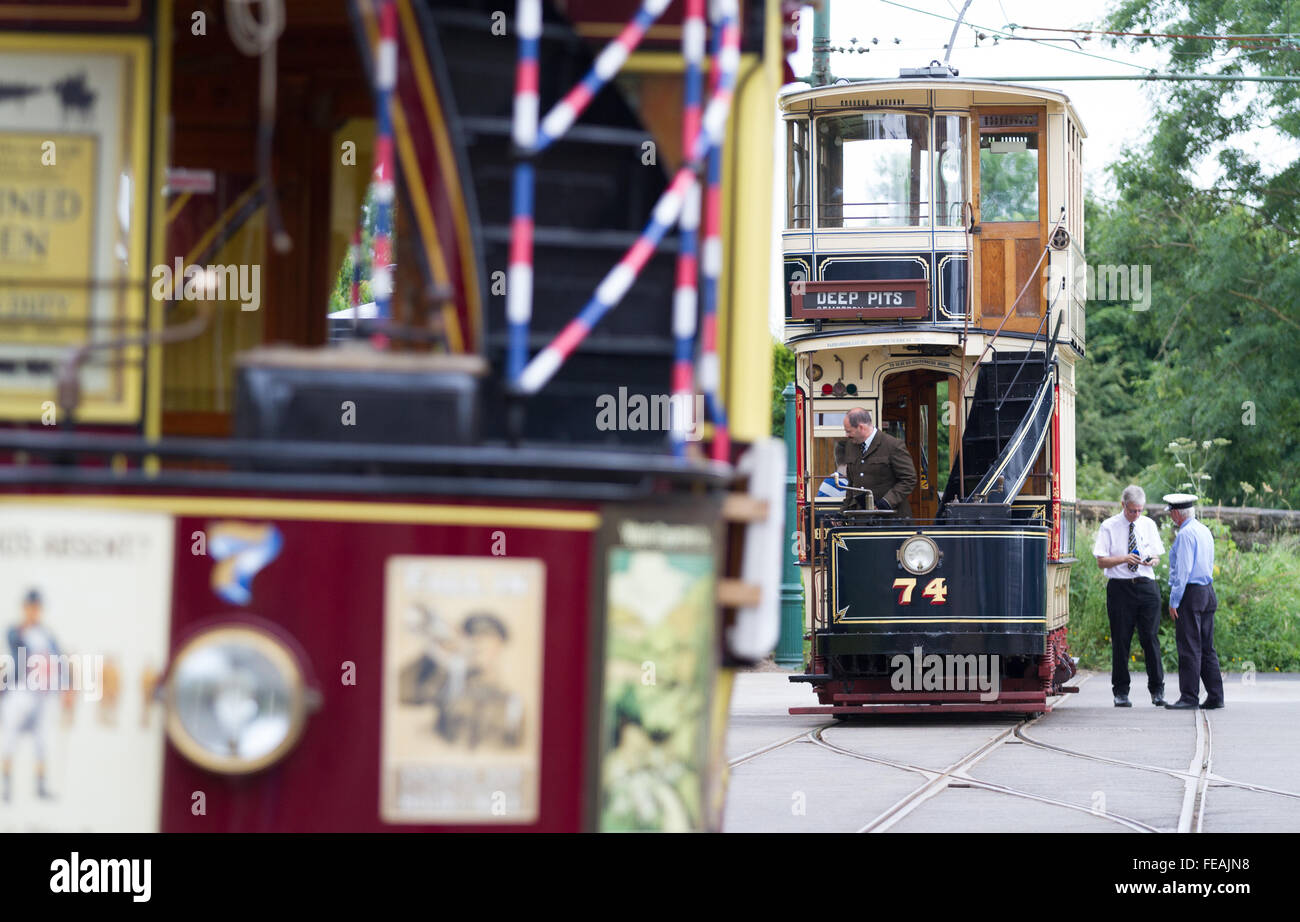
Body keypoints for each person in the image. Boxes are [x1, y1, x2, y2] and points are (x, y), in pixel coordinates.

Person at [1092, 485, 1166, 707]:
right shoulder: (1109, 526)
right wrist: (1124, 559)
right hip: (1121, 587)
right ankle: (1121, 691)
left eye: (1140, 510)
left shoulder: (1148, 524)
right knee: (1121, 640)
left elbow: (1157, 556)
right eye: (1132, 510)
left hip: (1146, 585)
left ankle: (1157, 690)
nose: (1136, 515)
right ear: (1123, 505)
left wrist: (1151, 560)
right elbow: (1100, 560)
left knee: (1150, 638)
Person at [1, 589, 67, 801]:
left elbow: (59, 660)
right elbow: (14, 642)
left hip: (42, 694)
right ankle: (6, 786)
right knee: (10, 738)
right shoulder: (16, 631)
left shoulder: (46, 635)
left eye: (37, 607)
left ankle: (40, 787)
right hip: (21, 691)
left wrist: (64, 686)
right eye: (30, 607)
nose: (34, 611)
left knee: (42, 741)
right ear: (25, 608)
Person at [1163, 493, 1223, 710]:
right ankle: (1216, 695)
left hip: (1191, 593)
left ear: (1177, 513)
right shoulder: (1203, 530)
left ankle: (1189, 697)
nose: (1170, 516)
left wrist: (1174, 600)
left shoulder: (1185, 534)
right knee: (1207, 647)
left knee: (1189, 647)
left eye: (1171, 512)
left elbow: (1183, 570)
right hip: (1207, 591)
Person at [839, 407, 916, 513]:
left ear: (861, 427)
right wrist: (842, 512)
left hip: (890, 521)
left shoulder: (893, 445)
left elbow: (909, 479)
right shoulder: (851, 446)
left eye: (849, 431)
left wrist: (886, 502)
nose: (846, 435)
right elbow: (852, 484)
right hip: (860, 521)